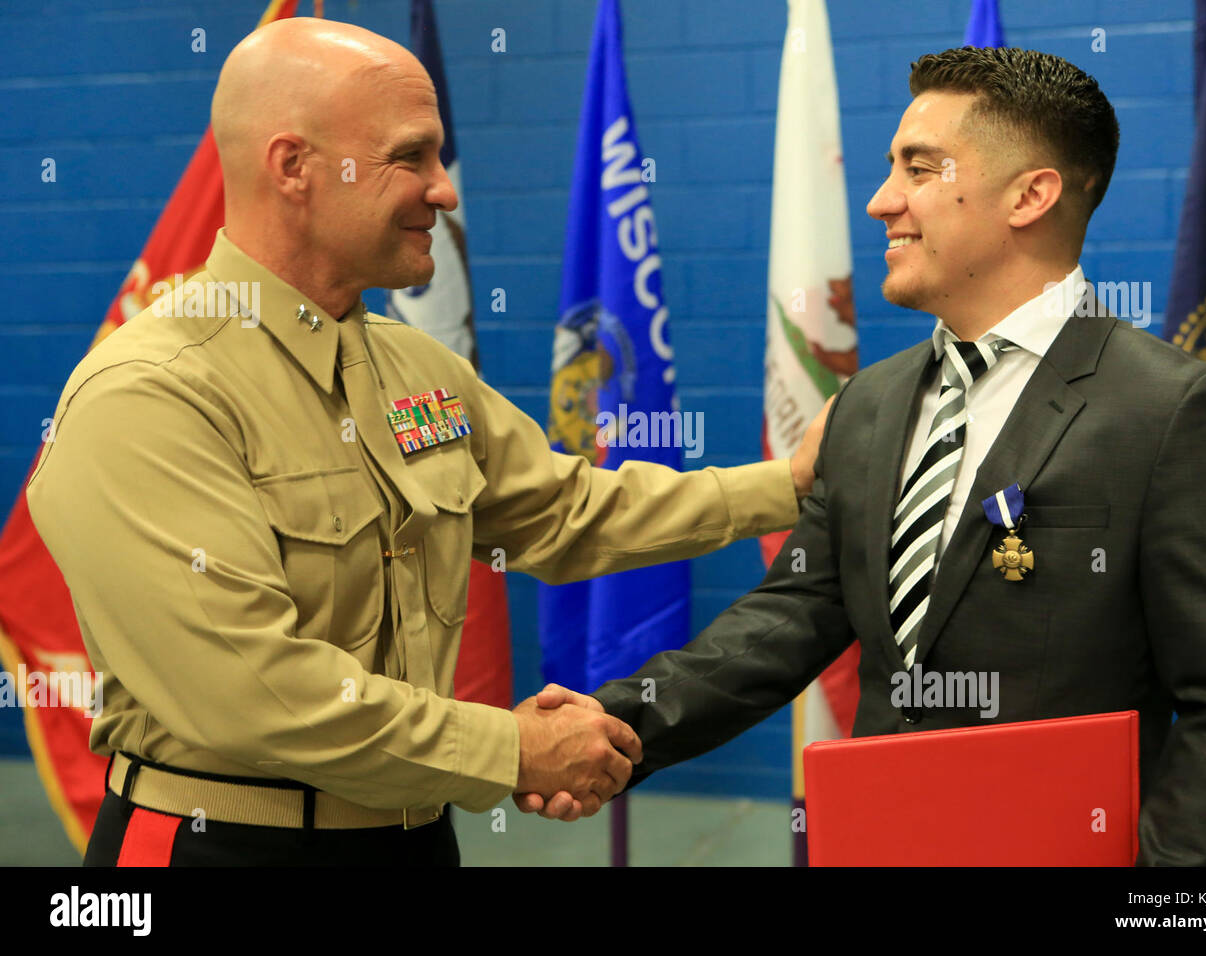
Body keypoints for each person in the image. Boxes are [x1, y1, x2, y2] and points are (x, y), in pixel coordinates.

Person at [24, 17, 827, 866]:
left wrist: (792, 484)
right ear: (294, 167)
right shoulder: (150, 394)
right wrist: (512, 751)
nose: (444, 190)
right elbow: (251, 692)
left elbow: (566, 512)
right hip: (222, 846)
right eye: (410, 157)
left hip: (412, 839)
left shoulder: (414, 367)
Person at [519, 47, 1206, 866]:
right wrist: (613, 727)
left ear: (1031, 195)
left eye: (918, 170)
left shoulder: (1178, 410)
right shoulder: (868, 404)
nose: (880, 200)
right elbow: (788, 619)